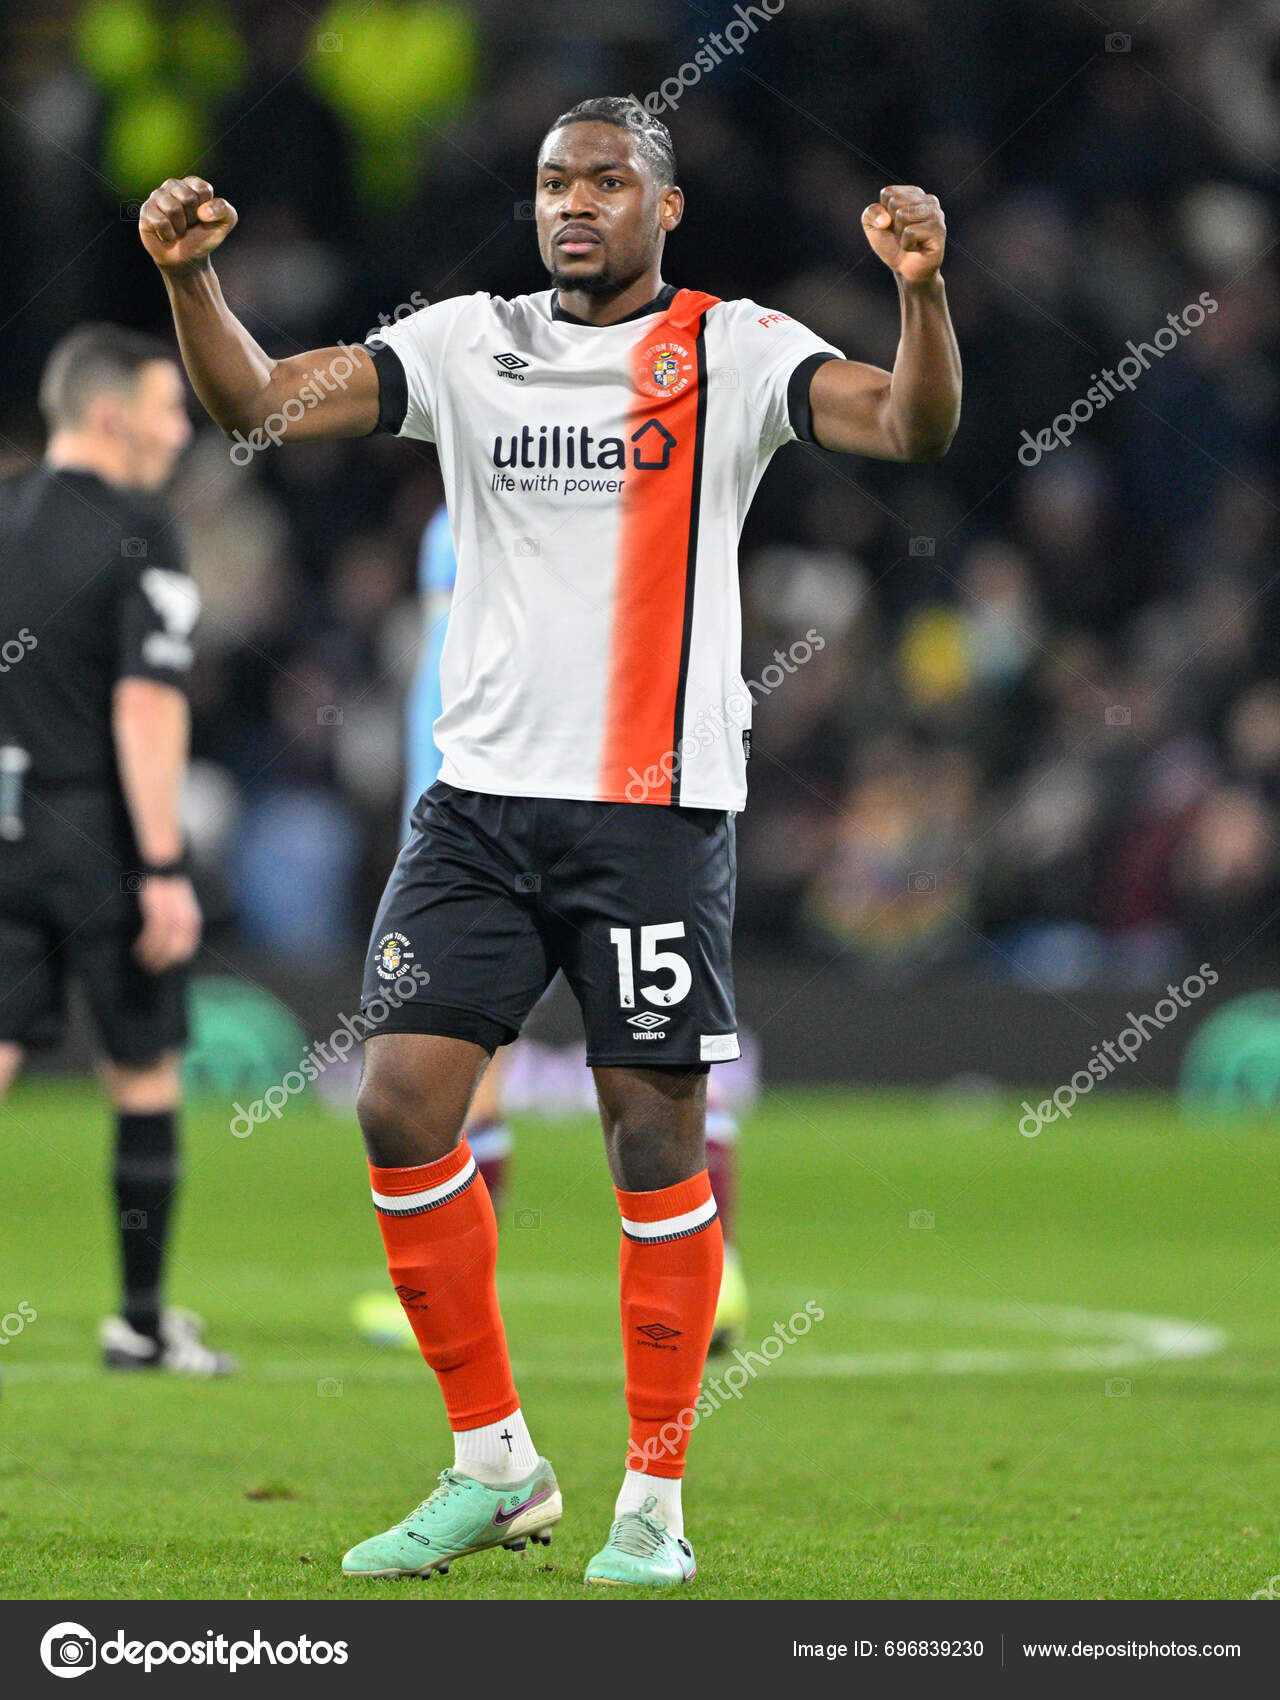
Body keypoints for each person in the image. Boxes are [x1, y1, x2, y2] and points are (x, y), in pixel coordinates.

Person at [137, 93, 959, 1586]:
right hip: (477, 809)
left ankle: (654, 1505)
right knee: (401, 1105)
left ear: (666, 207)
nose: (573, 204)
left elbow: (912, 424)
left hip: (652, 807)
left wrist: (922, 295)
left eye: (606, 182)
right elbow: (256, 405)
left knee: (654, 1141)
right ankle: (495, 1464)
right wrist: (193, 283)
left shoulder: (733, 347)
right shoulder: (465, 342)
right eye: (550, 183)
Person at [354, 504, 749, 1352]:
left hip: (616, 806)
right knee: (456, 1077)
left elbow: (446, 677)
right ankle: (712, 1276)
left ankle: (711, 1274)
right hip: (492, 808)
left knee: (658, 1077)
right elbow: (449, 677)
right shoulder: (462, 513)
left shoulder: (503, 509)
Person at [0, 323, 233, 1377]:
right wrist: (165, 865)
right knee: (140, 1067)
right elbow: (145, 705)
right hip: (96, 832)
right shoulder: (140, 530)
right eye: (165, 407)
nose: (181, 430)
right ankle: (140, 1320)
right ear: (108, 415)